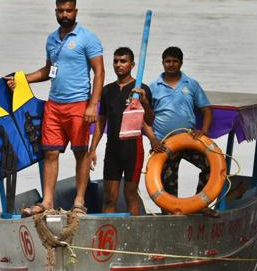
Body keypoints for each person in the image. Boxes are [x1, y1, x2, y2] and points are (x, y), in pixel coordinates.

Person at [6, 0, 104, 216]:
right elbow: (49, 70)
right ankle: (47, 202)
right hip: (54, 105)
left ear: (75, 12)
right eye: (60, 11)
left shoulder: (87, 38)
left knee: (81, 153)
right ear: (56, 12)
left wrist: (92, 105)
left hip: (79, 104)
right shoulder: (52, 39)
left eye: (69, 10)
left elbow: (99, 72)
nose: (64, 14)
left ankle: (79, 201)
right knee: (50, 154)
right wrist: (22, 79)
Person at [144, 46, 216, 216]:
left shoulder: (191, 84)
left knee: (210, 166)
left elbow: (206, 110)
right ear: (162, 63)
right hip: (164, 144)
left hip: (189, 140)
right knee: (168, 182)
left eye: (175, 61)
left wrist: (203, 131)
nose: (171, 64)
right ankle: (170, 215)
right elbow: (145, 118)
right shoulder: (153, 86)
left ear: (181, 63)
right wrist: (153, 140)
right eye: (168, 61)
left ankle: (202, 204)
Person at [87, 47, 154, 216]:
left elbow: (150, 120)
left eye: (123, 61)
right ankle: (106, 235)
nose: (118, 65)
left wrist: (144, 102)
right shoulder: (107, 90)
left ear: (132, 65)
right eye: (116, 61)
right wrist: (92, 149)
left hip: (133, 149)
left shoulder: (141, 89)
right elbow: (101, 123)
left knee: (130, 195)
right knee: (109, 198)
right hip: (112, 150)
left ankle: (134, 235)